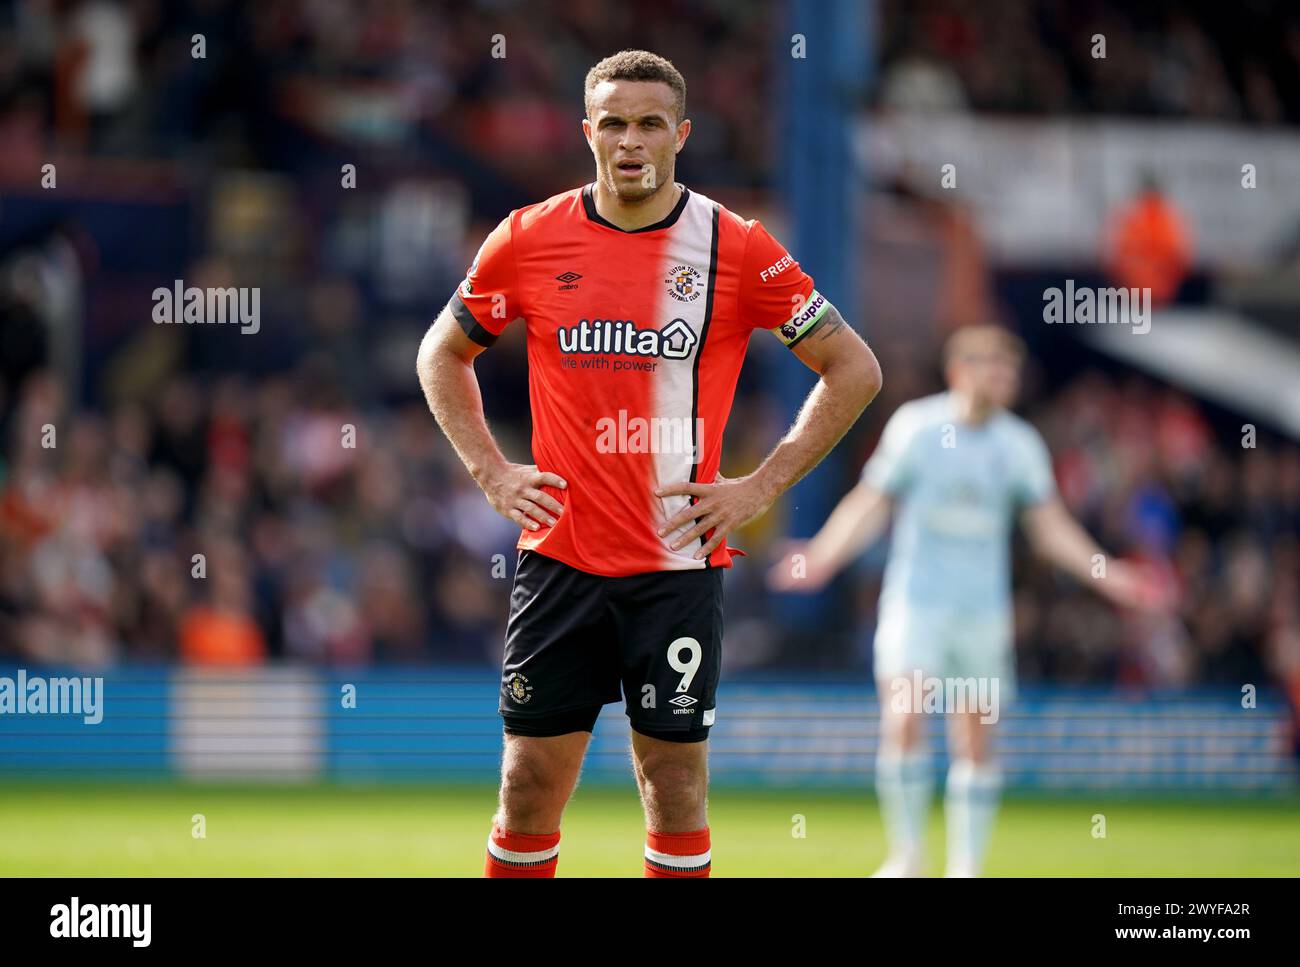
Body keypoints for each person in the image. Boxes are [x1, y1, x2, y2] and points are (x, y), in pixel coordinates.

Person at [416, 50, 882, 877]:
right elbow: (441, 354)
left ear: (682, 134)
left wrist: (761, 485)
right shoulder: (526, 237)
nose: (632, 141)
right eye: (616, 123)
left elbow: (856, 368)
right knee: (526, 785)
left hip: (676, 565)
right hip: (560, 560)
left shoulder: (736, 247)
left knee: (673, 786)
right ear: (588, 131)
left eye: (650, 124)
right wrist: (491, 472)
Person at [769, 325, 1163, 877]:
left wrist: (1107, 573)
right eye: (992, 364)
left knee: (974, 737)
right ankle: (907, 856)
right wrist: (823, 556)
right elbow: (872, 501)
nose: (1004, 376)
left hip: (982, 613)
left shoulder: (1018, 444)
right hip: (917, 602)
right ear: (959, 370)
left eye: (1010, 367)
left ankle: (966, 867)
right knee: (904, 718)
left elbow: (1049, 527)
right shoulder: (917, 428)